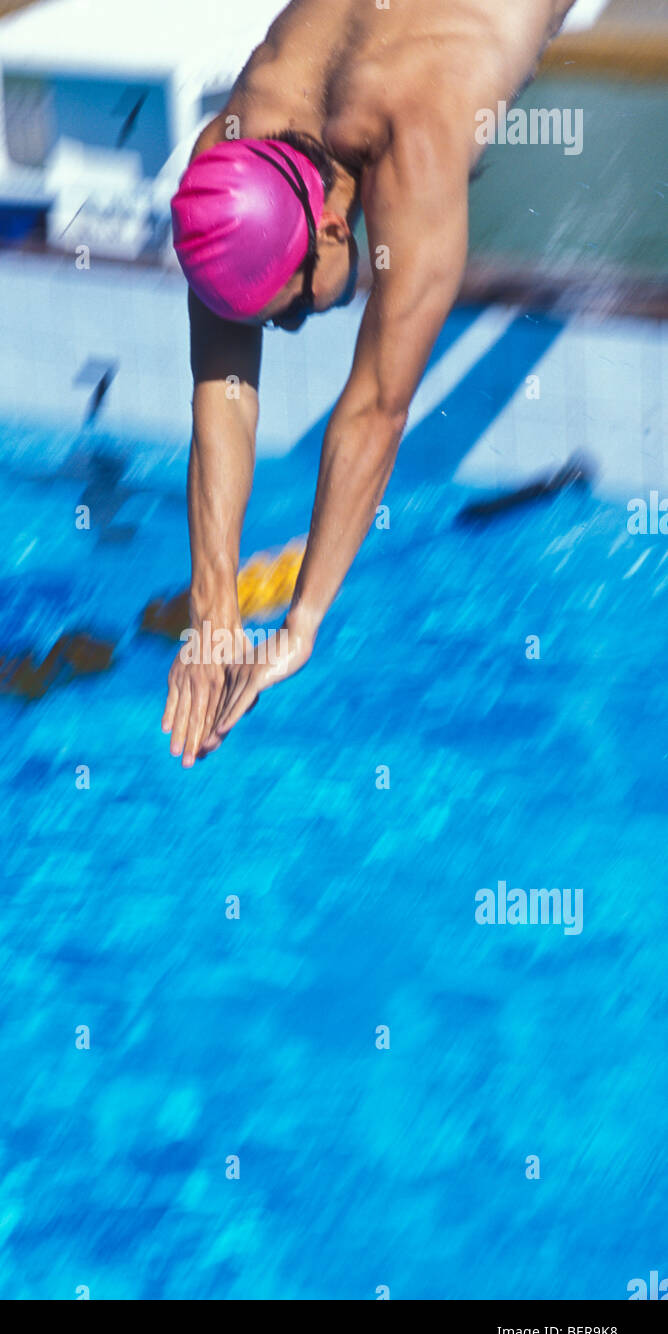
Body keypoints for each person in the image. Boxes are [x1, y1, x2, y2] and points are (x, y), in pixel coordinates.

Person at [162, 0, 575, 766]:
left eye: (287, 313)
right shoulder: (230, 156)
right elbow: (220, 386)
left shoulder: (415, 132)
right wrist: (213, 602)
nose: (285, 332)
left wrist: (300, 624)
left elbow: (377, 408)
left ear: (325, 233)